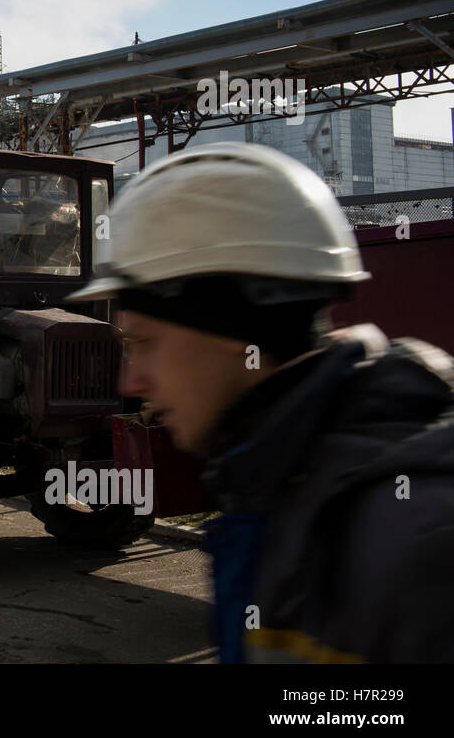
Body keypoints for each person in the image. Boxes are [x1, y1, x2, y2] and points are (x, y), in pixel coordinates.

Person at [65, 142, 454, 663]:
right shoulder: (274, 491)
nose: (131, 381)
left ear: (227, 330)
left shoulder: (418, 541)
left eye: (144, 344)